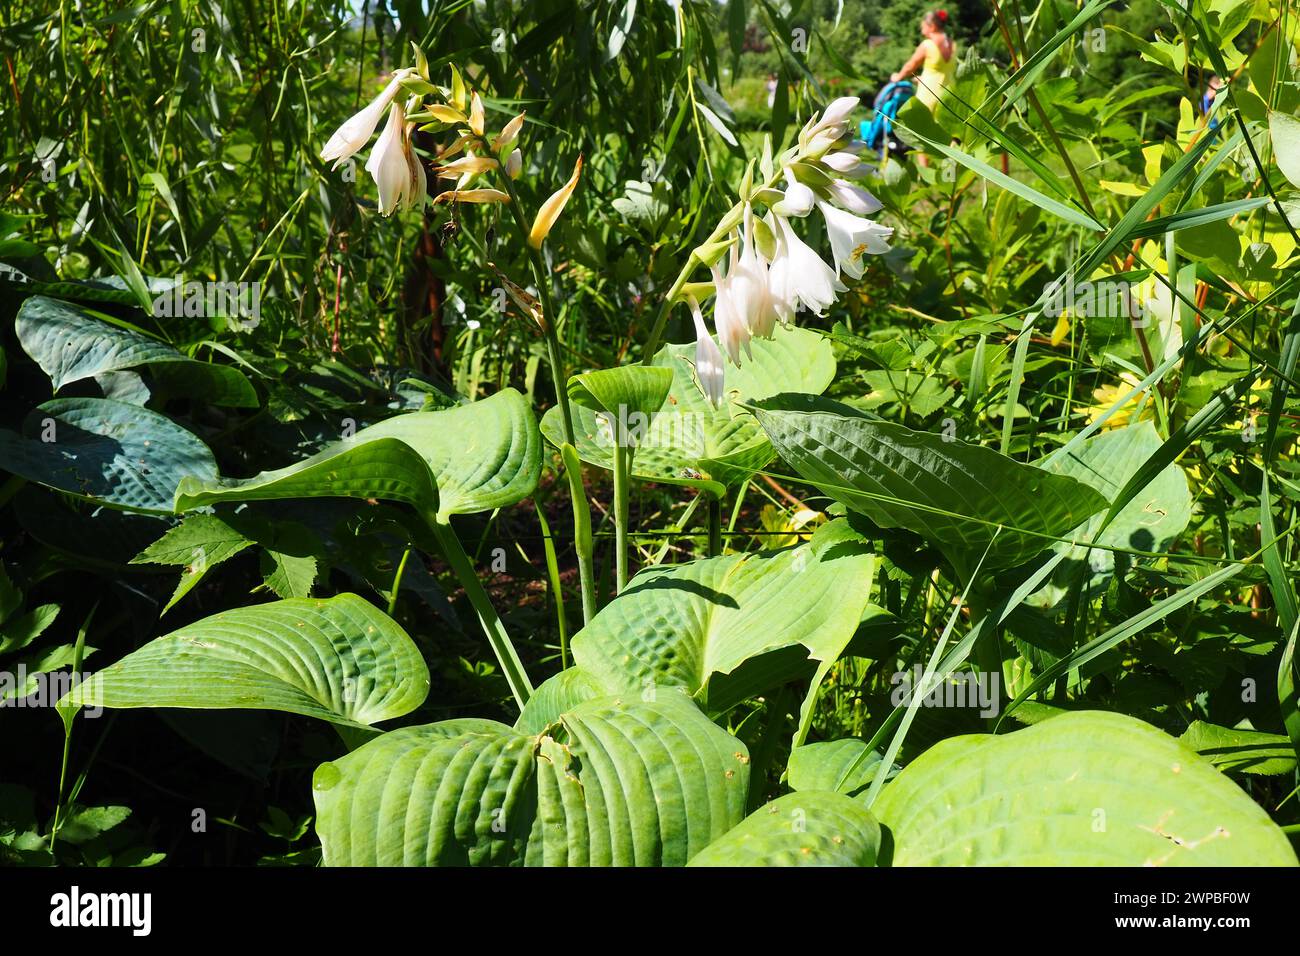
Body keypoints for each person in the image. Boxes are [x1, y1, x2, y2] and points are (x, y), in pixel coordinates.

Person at [891, 10, 956, 115]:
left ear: (932, 26)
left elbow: (910, 66)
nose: (922, 31)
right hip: (950, 97)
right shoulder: (953, 45)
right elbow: (942, 71)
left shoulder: (928, 45)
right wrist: (923, 78)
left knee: (923, 128)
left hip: (930, 96)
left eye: (923, 27)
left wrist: (897, 77)